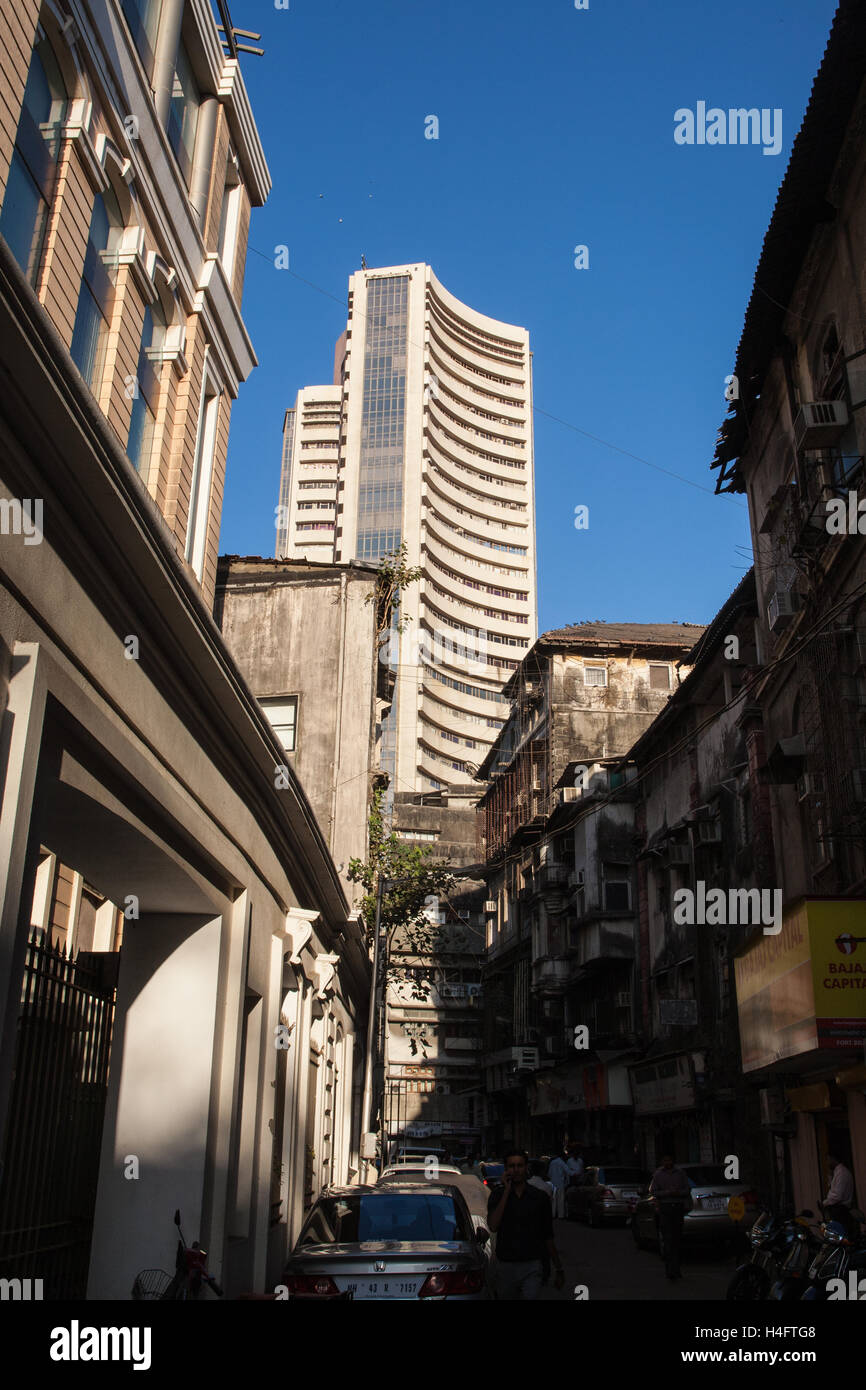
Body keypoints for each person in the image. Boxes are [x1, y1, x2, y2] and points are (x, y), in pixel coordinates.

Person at [487, 1149, 565, 1300]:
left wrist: (558, 1268)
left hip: (532, 1265)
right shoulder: (497, 1195)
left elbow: (547, 1235)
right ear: (506, 1169)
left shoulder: (539, 1197)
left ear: (526, 1167)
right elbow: (493, 1225)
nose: (516, 1170)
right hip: (506, 1266)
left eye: (519, 1165)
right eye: (511, 1166)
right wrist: (506, 1191)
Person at [649, 1153, 691, 1279]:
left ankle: (677, 1269)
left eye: (669, 1159)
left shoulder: (680, 1173)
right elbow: (654, 1191)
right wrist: (667, 1193)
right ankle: (669, 1270)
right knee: (668, 1240)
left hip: (677, 1207)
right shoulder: (658, 1174)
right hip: (665, 1208)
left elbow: (687, 1189)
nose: (667, 1162)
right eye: (665, 1160)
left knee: (677, 1239)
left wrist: (678, 1193)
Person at [822, 1154, 857, 1238]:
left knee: (839, 1238)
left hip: (840, 1211)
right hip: (838, 1210)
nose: (827, 1162)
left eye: (828, 1159)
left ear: (833, 1159)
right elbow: (832, 1188)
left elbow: (837, 1196)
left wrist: (825, 1202)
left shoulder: (842, 1173)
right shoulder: (837, 1172)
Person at [547, 1147, 569, 1219]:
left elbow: (549, 1174)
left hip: (553, 1183)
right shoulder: (562, 1163)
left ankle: (553, 1214)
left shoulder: (552, 1162)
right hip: (561, 1183)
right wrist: (566, 1183)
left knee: (553, 1200)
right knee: (561, 1200)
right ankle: (560, 1215)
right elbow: (567, 1173)